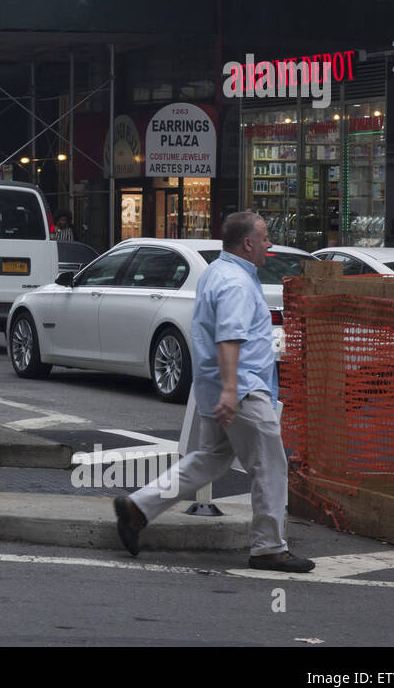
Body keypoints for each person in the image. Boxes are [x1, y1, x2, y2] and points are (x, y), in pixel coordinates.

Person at [113, 210, 314, 572]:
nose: (270, 244)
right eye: (265, 237)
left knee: (210, 458)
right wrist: (231, 391)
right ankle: (268, 547)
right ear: (248, 243)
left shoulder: (216, 273)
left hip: (217, 387)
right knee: (270, 466)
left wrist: (222, 390)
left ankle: (139, 507)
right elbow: (229, 338)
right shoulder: (236, 283)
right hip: (242, 390)